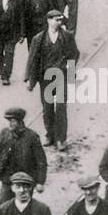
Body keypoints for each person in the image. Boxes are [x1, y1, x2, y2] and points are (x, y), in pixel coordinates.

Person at [25, 10, 79, 150]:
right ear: (49, 20)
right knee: (47, 108)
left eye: (60, 20)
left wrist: (71, 72)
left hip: (61, 77)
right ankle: (50, 135)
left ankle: (61, 139)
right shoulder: (39, 38)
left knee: (61, 109)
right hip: (46, 78)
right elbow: (32, 59)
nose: (59, 23)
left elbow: (74, 54)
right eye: (56, 20)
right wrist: (29, 79)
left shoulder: (67, 36)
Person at [0, 107, 47, 204]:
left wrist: (40, 182)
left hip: (25, 180)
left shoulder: (32, 137)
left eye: (13, 121)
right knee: (3, 206)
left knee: (23, 207)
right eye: (9, 121)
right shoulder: (4, 134)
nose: (10, 124)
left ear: (20, 122)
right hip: (8, 179)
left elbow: (41, 161)